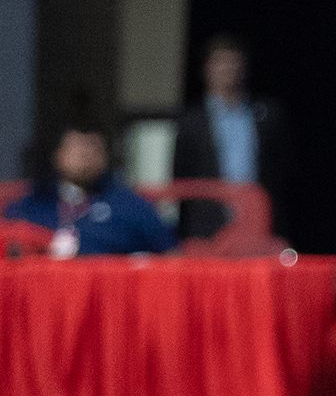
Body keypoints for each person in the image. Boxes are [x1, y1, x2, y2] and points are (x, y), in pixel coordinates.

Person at [173, 34, 290, 240]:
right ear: (207, 68)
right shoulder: (191, 121)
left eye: (234, 62)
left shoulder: (266, 116)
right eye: (221, 62)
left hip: (258, 228)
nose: (228, 69)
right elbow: (182, 177)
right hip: (208, 232)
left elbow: (281, 171)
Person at [5, 123, 175, 256]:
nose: (86, 156)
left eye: (94, 148)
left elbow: (169, 254)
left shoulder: (131, 206)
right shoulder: (32, 205)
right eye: (78, 148)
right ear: (58, 155)